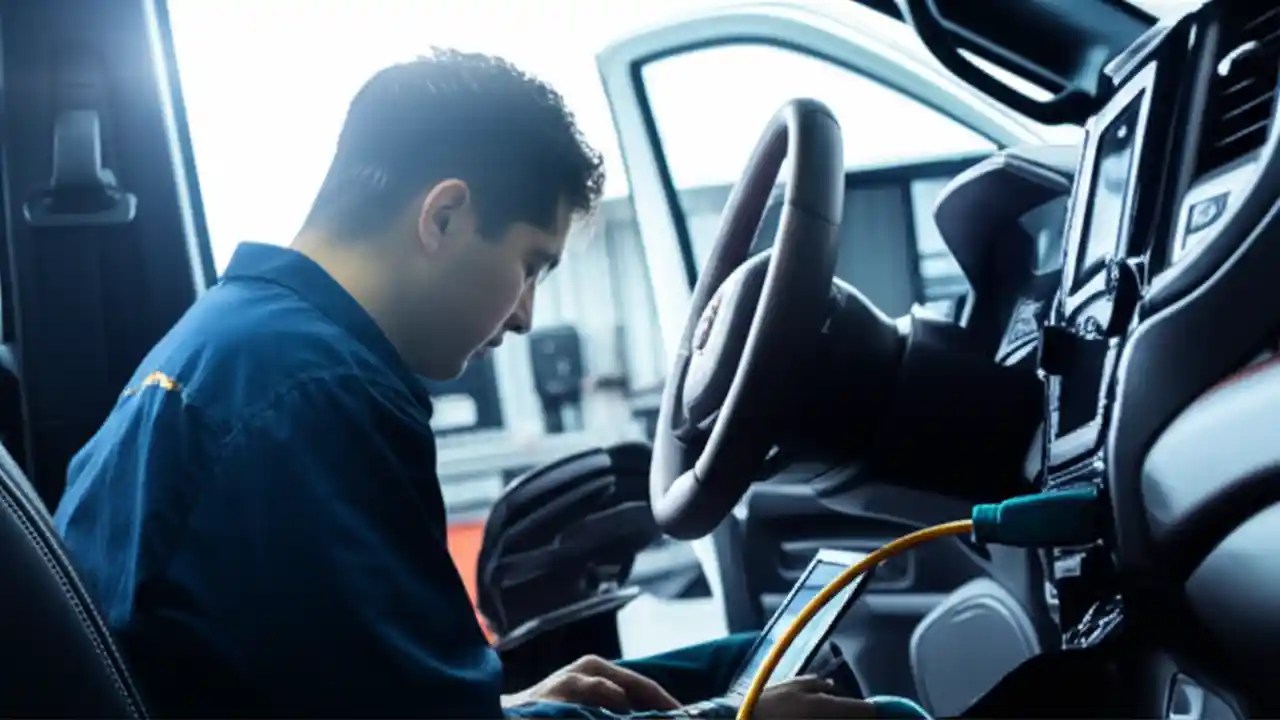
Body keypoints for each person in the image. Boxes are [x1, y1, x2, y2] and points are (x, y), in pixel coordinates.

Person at [53, 49, 874, 719]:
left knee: (733, 665)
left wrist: (506, 705)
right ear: (443, 216)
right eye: (530, 265)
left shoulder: (229, 346)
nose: (523, 317)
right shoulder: (318, 392)